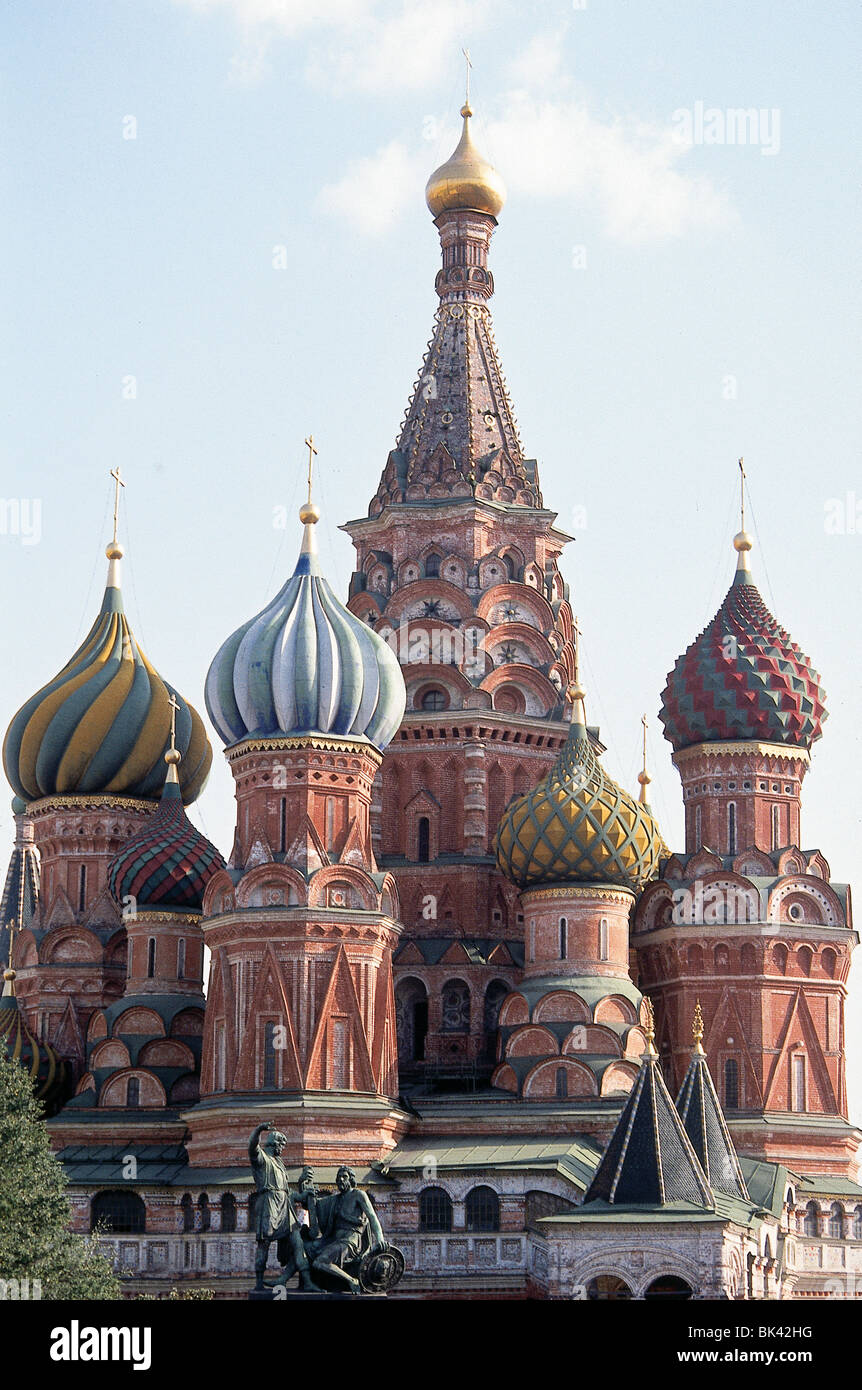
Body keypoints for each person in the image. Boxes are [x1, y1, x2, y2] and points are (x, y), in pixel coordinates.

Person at [248, 1122, 315, 1291]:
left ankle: (307, 1281)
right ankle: (258, 1283)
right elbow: (252, 1147)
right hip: (269, 1206)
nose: (282, 1149)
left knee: (298, 1243)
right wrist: (258, 1130)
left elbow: (286, 1192)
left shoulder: (279, 1163)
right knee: (264, 1244)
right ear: (274, 1144)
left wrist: (302, 1189)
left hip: (285, 1208)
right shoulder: (263, 1160)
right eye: (281, 1145)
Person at [308, 1165, 387, 1293]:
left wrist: (380, 1239)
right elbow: (316, 1204)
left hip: (350, 1242)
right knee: (307, 1249)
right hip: (333, 1240)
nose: (341, 1180)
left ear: (351, 1179)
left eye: (344, 1177)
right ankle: (305, 1283)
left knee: (319, 1262)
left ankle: (351, 1280)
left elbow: (372, 1217)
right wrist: (307, 1191)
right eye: (338, 1177)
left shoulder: (359, 1195)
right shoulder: (335, 1199)